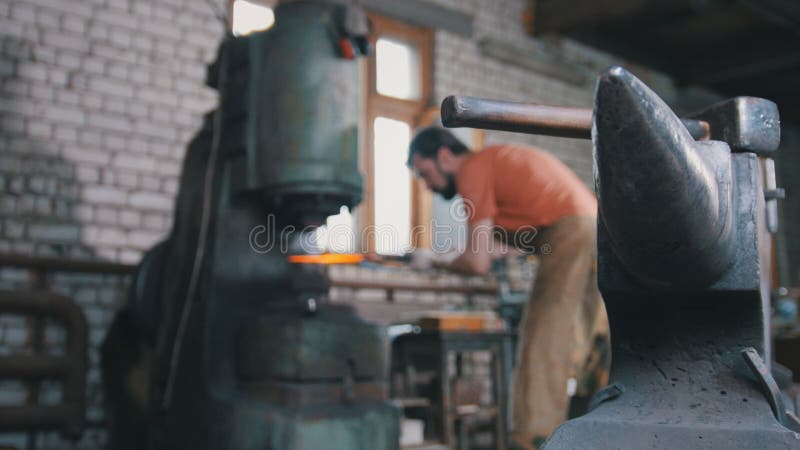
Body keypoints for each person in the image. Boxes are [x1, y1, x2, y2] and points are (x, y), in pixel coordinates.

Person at [406, 127, 610, 450]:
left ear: (444, 157)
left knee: (544, 338)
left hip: (572, 231)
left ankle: (533, 440)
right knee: (591, 343)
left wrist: (430, 261)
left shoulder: (473, 168)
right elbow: (495, 247)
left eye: (425, 173)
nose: (427, 184)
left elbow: (477, 262)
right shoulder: (494, 164)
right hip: (598, 227)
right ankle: (596, 431)